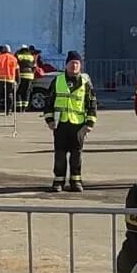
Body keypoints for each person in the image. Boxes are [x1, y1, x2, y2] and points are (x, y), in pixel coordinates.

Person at [43, 51, 97, 192]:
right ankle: (58, 181)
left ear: (80, 66)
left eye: (77, 63)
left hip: (78, 125)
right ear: (66, 65)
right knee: (60, 154)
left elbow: (92, 104)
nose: (74, 66)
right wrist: (49, 120)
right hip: (60, 124)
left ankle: (76, 181)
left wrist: (90, 124)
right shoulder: (58, 80)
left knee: (76, 155)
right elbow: (48, 101)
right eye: (71, 63)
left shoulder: (85, 83)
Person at [0, 44, 18, 113]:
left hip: (0, 78)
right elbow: (17, 70)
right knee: (9, 95)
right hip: (10, 79)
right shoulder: (14, 59)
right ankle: (8, 110)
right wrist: (17, 80)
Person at [15, 45, 36, 112]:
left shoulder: (18, 56)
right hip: (30, 76)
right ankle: (24, 108)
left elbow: (16, 66)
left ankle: (19, 108)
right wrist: (32, 74)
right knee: (27, 92)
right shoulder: (31, 57)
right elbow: (35, 67)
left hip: (21, 75)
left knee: (19, 92)